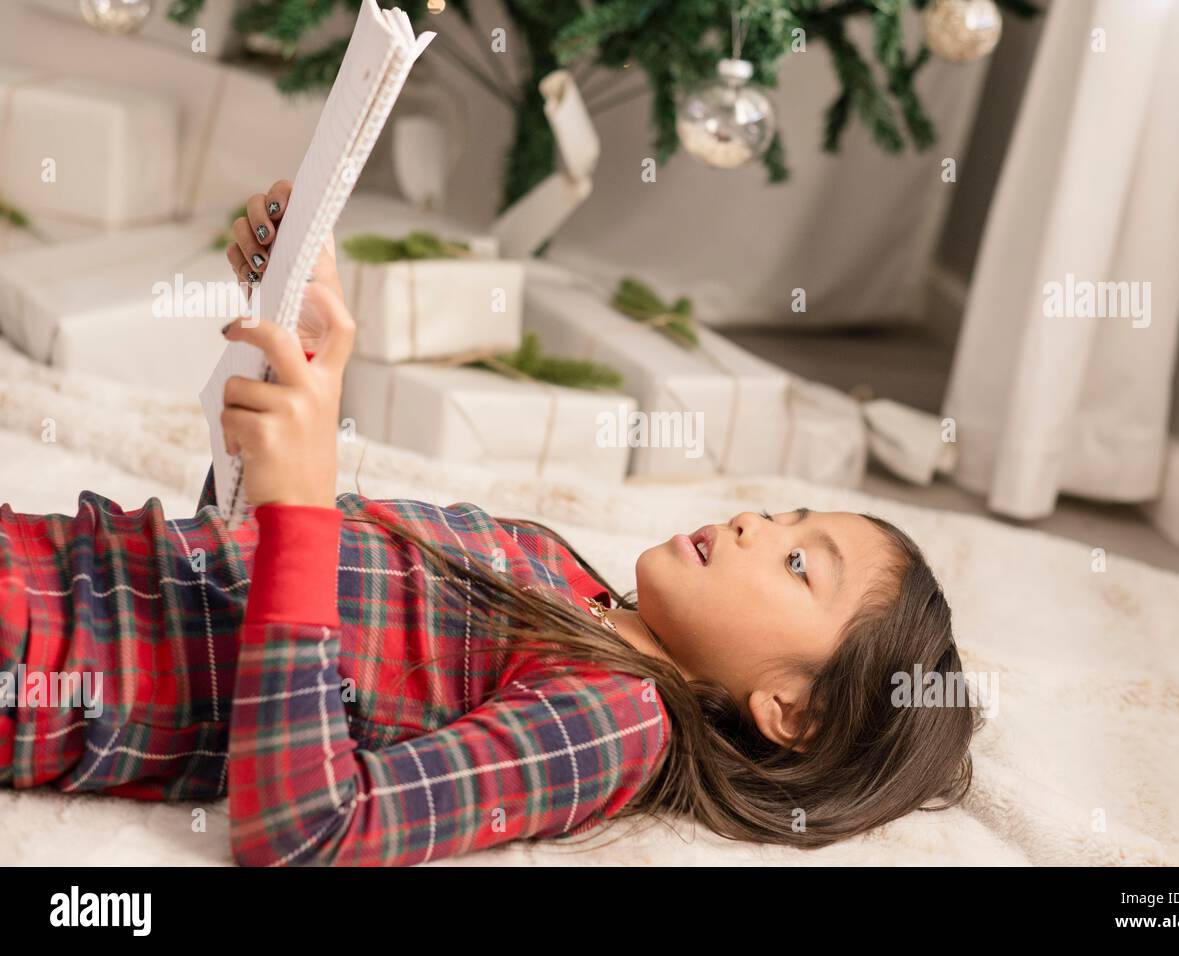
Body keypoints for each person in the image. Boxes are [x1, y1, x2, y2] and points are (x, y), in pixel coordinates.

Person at [0, 182, 979, 866]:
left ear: (791, 712)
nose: (756, 521)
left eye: (801, 559)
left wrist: (303, 509)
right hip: (59, 556)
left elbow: (304, 832)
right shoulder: (554, 563)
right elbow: (239, 580)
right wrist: (302, 357)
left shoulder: (616, 718)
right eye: (786, 511)